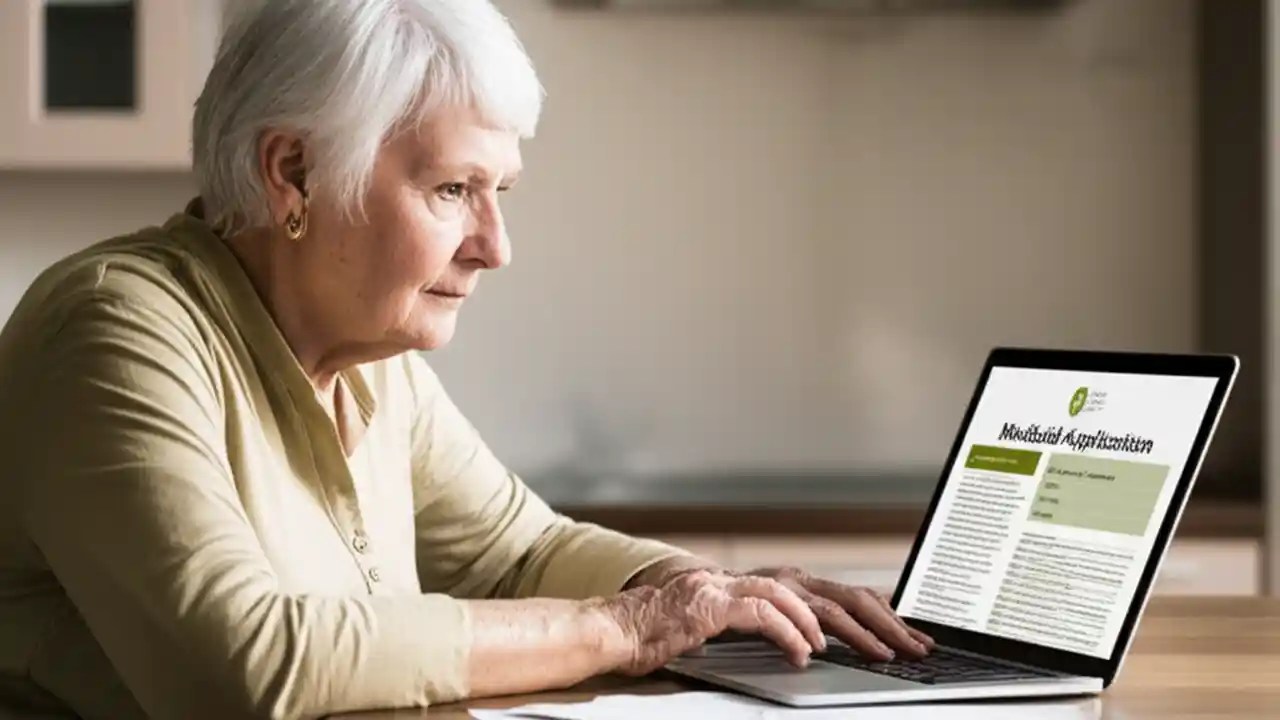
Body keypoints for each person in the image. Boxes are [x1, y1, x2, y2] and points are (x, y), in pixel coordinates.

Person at [0, 1, 932, 717]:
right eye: (453, 189)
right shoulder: (115, 331)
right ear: (293, 173)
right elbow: (244, 664)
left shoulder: (368, 361)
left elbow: (520, 554)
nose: (495, 246)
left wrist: (706, 591)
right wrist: (626, 625)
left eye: (500, 192)